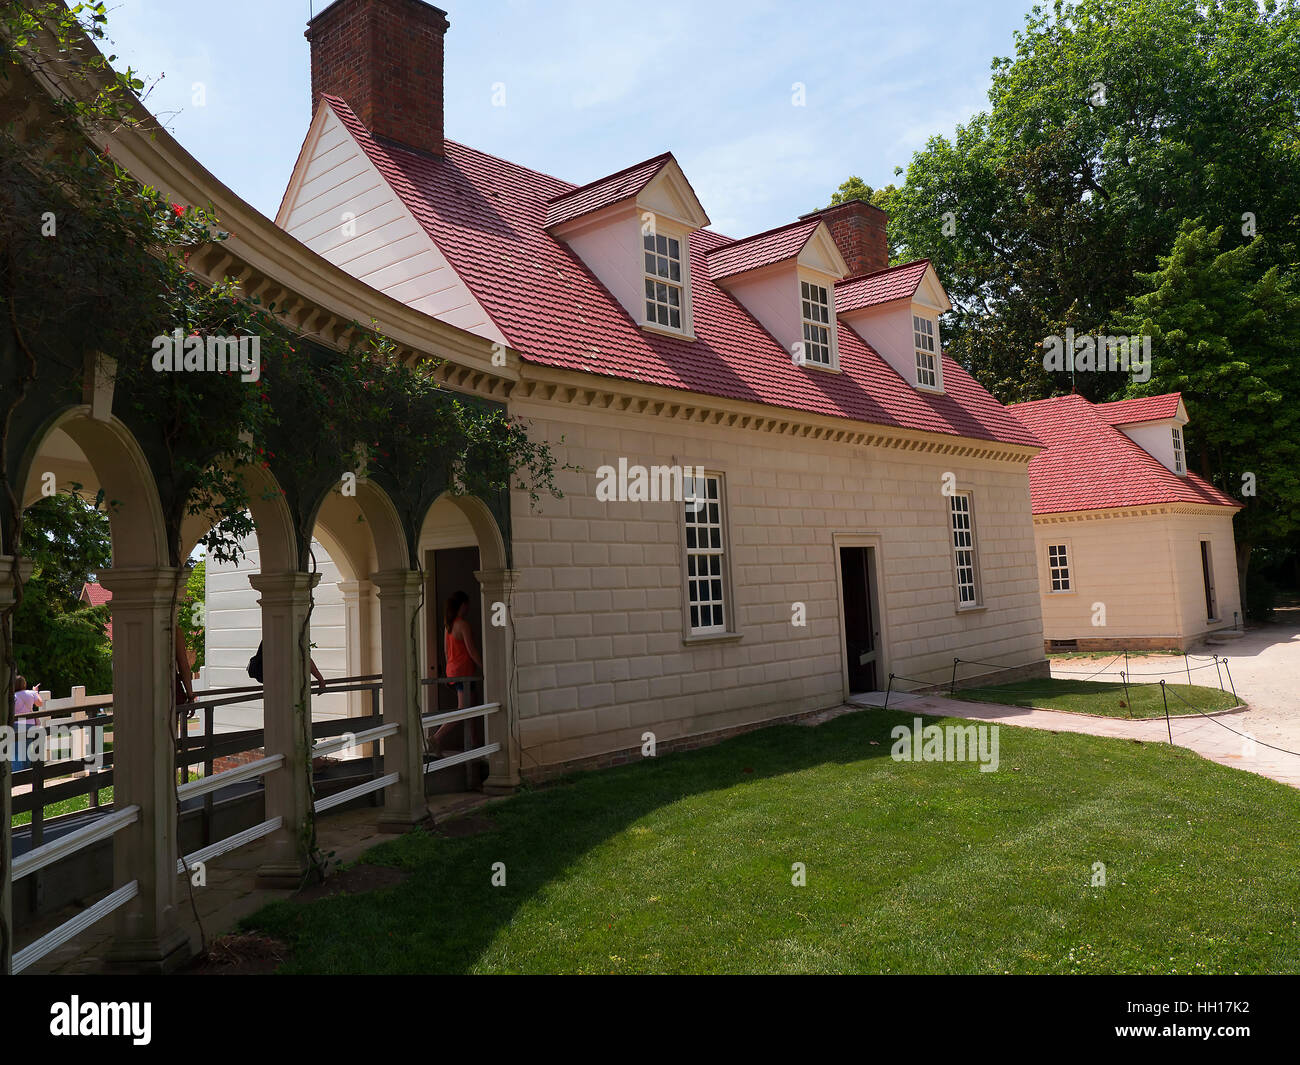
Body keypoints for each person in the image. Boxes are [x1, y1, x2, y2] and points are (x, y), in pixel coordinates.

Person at [433, 590, 481, 757]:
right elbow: (472, 650)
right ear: (463, 605)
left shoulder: (449, 626)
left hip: (453, 671)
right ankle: (436, 737)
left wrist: (449, 670)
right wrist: (483, 666)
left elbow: (446, 652)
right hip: (464, 672)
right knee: (463, 709)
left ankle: (474, 743)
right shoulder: (463, 625)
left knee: (471, 708)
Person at [247, 641, 327, 695]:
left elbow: (305, 659)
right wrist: (320, 679)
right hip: (277, 682)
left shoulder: (270, 635)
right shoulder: (288, 639)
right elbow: (305, 659)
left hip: (271, 681)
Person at [12, 675, 43, 772]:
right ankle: (27, 773)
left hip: (16, 725)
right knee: (27, 749)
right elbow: (39, 703)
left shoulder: (12, 696)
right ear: (24, 684)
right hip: (30, 724)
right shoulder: (31, 693)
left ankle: (18, 774)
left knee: (17, 750)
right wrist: (35, 692)